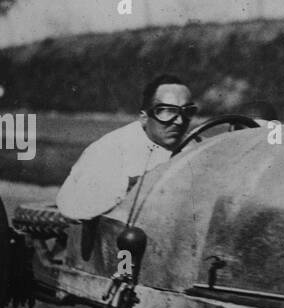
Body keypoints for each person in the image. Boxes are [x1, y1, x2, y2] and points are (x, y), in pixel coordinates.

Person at [56, 73, 197, 220]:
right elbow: (71, 206)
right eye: (168, 111)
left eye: (187, 112)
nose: (180, 121)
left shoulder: (197, 146)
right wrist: (130, 190)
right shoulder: (111, 149)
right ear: (144, 117)